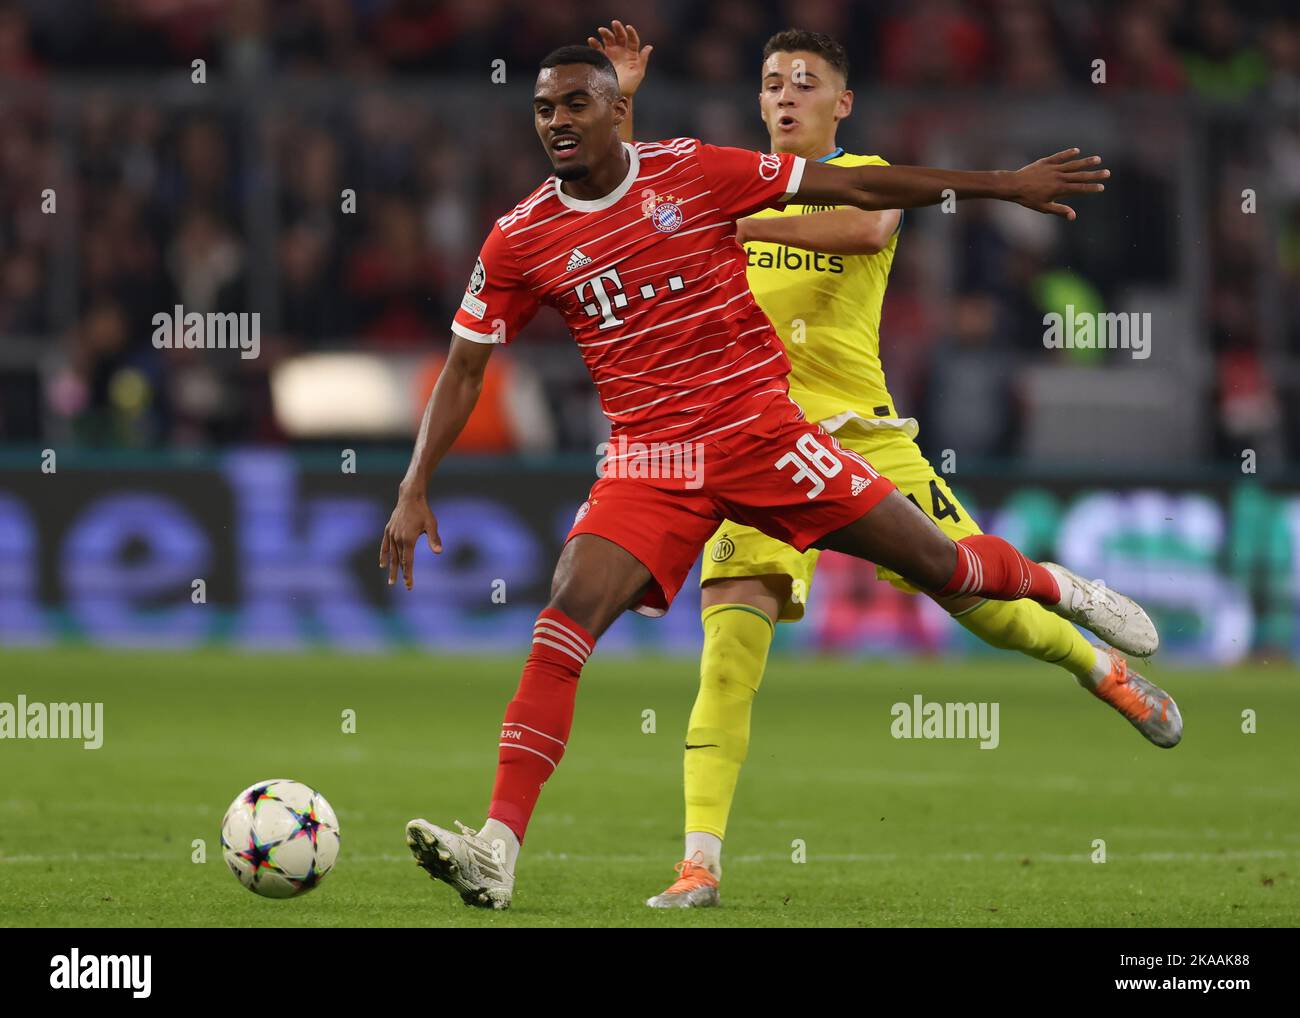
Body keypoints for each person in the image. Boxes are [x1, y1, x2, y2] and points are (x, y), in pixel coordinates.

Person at [379, 44, 1154, 911]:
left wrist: (1001, 185)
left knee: (949, 569)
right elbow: (464, 367)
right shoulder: (520, 236)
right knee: (569, 612)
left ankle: (1061, 590)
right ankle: (504, 848)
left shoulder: (706, 173)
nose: (555, 122)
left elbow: (863, 201)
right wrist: (414, 487)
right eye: (542, 109)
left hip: (768, 436)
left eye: (574, 105)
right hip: (652, 461)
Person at [584, 22, 1183, 912]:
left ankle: (1101, 670)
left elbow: (866, 231)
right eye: (772, 82)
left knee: (982, 601)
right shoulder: (728, 183)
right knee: (727, 653)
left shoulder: (862, 175)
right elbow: (625, 198)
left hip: (862, 436)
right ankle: (698, 866)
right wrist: (623, 103)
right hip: (751, 445)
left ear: (842, 102)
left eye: (804, 81)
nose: (784, 94)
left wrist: (726, 227)